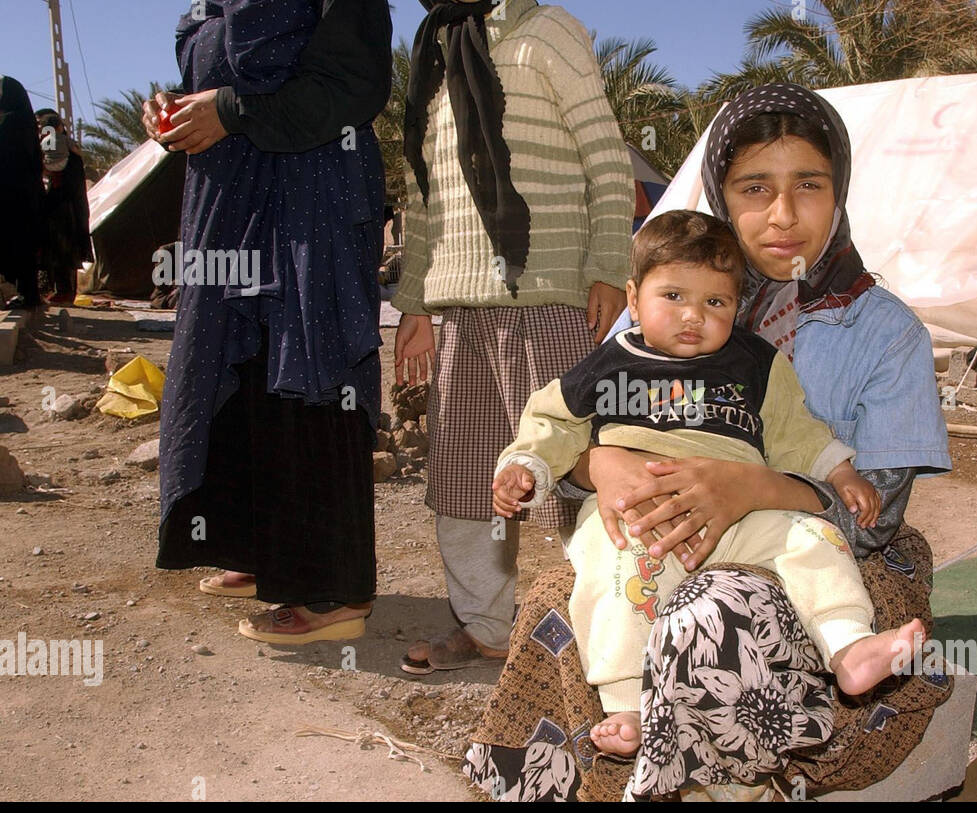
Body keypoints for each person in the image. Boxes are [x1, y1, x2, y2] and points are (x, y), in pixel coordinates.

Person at [464, 83, 953, 801]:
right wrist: (600, 462)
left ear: (840, 191)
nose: (782, 214)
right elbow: (576, 422)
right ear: (723, 197)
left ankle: (738, 781)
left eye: (808, 185)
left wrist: (748, 488)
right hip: (657, 533)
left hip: (822, 552)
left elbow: (871, 514)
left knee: (711, 610)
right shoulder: (670, 296)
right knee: (564, 591)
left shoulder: (886, 334)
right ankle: (615, 736)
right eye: (755, 188)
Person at [492, 210, 924, 749]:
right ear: (633, 298)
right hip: (640, 513)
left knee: (814, 538)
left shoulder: (757, 362)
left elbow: (795, 431)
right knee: (617, 573)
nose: (692, 315)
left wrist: (839, 470)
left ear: (737, 308)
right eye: (672, 296)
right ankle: (627, 703)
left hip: (739, 511)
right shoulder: (610, 363)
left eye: (714, 302)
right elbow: (553, 420)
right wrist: (526, 466)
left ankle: (849, 644)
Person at [391, 0, 633, 673]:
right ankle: (490, 625)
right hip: (458, 305)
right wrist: (413, 302)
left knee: (571, 475)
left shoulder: (548, 31)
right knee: (467, 480)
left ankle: (601, 630)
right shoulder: (437, 54)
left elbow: (607, 157)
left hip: (549, 295)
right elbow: (425, 194)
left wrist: (610, 265)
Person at [145, 0, 393, 643]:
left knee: (309, 367)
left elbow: (352, 86)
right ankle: (262, 553)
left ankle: (331, 589)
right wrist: (175, 111)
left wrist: (230, 112)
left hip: (313, 192)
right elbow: (220, 69)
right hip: (228, 196)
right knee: (237, 363)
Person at [33, 110, 91, 306]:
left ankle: (64, 292)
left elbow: (53, 169)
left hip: (62, 208)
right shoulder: (69, 146)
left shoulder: (57, 144)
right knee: (63, 253)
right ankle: (64, 292)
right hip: (69, 206)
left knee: (61, 252)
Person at [0, 77, 42, 311]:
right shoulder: (27, 124)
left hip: (8, 197)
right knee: (22, 249)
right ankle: (26, 295)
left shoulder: (9, 123)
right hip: (26, 198)